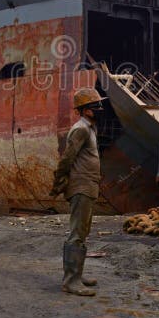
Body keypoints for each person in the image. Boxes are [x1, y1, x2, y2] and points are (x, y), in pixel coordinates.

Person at [50, 87, 105, 296]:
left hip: (89, 185)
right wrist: (58, 183)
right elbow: (67, 158)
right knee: (77, 233)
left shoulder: (90, 128)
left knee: (83, 232)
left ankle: (76, 274)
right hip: (81, 186)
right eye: (96, 106)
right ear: (86, 110)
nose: (100, 108)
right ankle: (70, 281)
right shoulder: (81, 129)